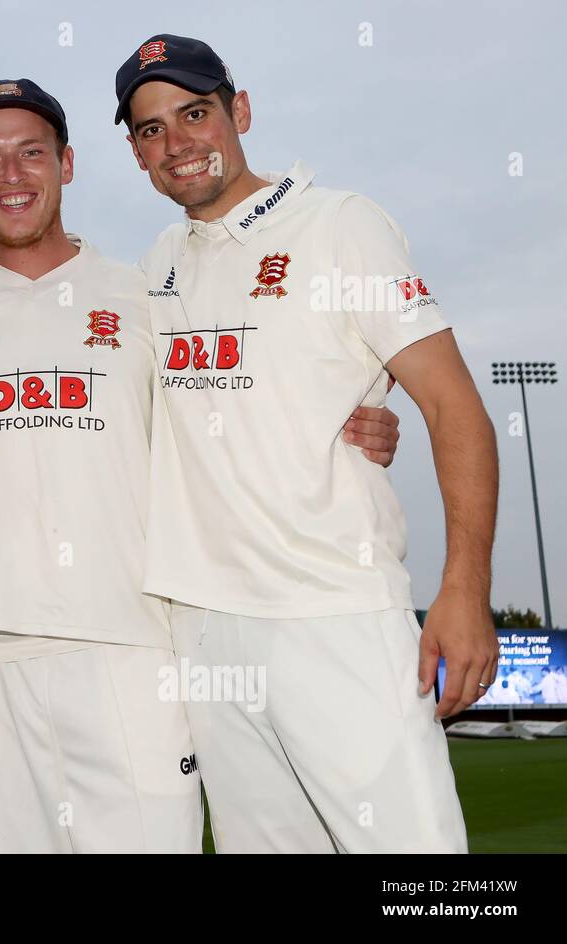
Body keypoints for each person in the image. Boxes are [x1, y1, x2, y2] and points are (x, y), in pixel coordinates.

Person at [0, 79, 402, 852]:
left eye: (32, 153)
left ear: (67, 163)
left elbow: (250, 385)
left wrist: (352, 420)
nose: (12, 175)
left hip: (134, 650)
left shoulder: (150, 293)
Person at [115, 33, 498, 851]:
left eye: (194, 113)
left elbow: (454, 405)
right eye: (151, 129)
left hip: (335, 610)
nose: (177, 142)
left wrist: (465, 591)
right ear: (137, 153)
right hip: (204, 627)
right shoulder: (156, 265)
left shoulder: (339, 224)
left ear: (240, 112)